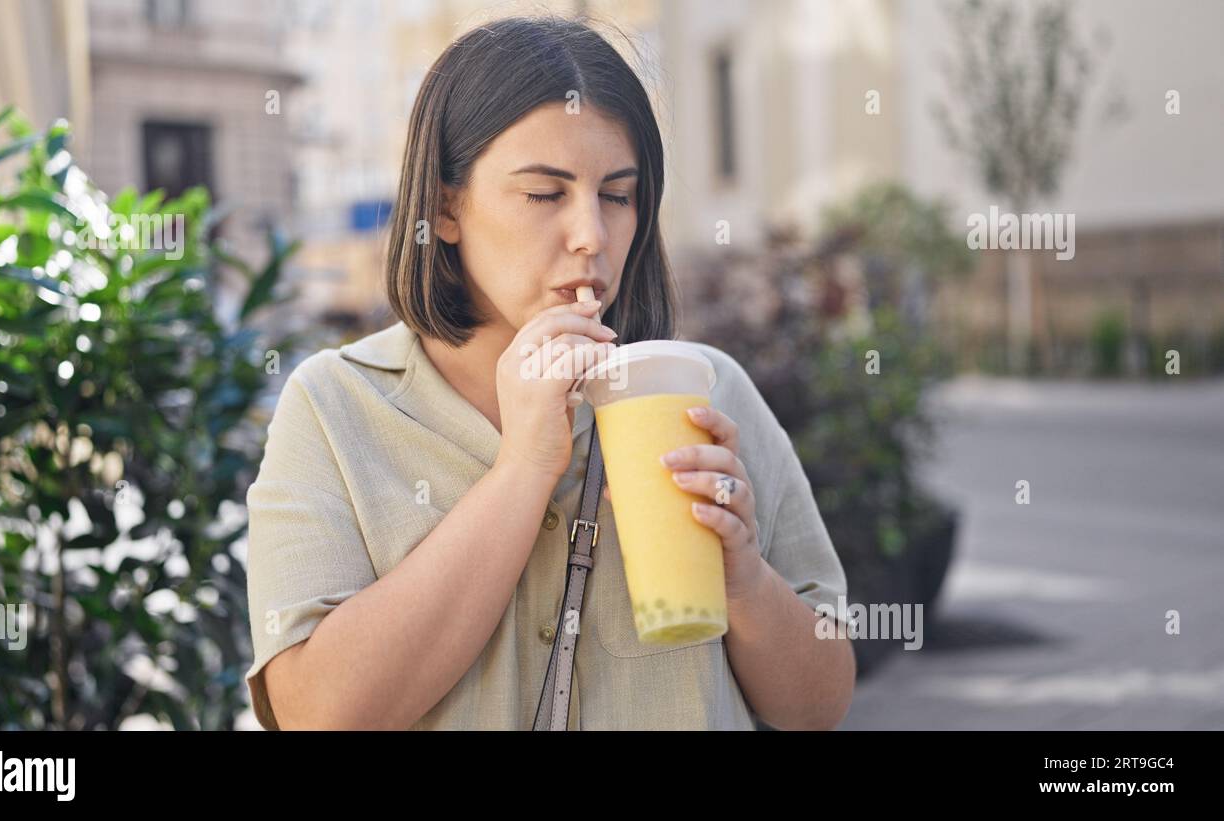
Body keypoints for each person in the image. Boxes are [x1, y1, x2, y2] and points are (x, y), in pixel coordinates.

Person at [244, 14, 853, 730]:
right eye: (544, 194)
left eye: (618, 195)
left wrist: (745, 577)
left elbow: (820, 704)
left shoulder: (705, 392)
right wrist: (523, 468)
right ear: (445, 207)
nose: (591, 235)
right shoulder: (336, 407)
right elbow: (319, 713)